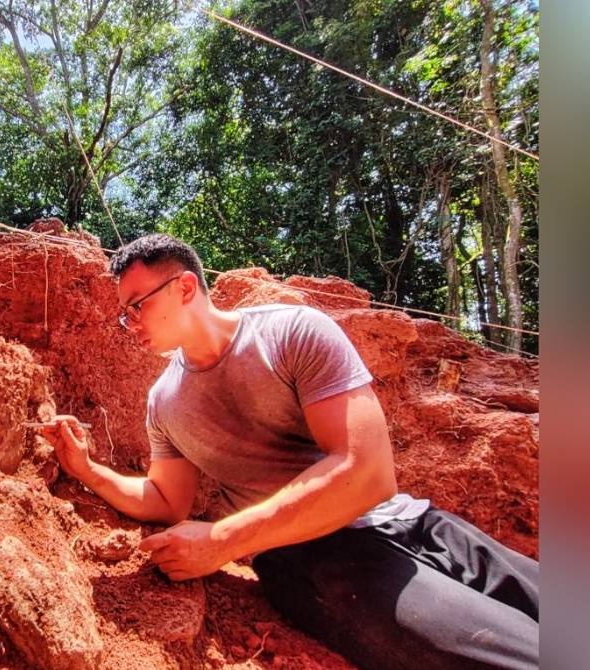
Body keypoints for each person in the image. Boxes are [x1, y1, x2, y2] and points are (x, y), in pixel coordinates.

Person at [39, 234, 538, 670]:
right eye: (123, 312)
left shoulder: (293, 333)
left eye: (136, 305)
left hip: (415, 522)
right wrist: (88, 470)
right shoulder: (164, 402)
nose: (128, 323)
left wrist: (221, 540)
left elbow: (368, 472)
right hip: (318, 560)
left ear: (185, 288)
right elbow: (167, 500)